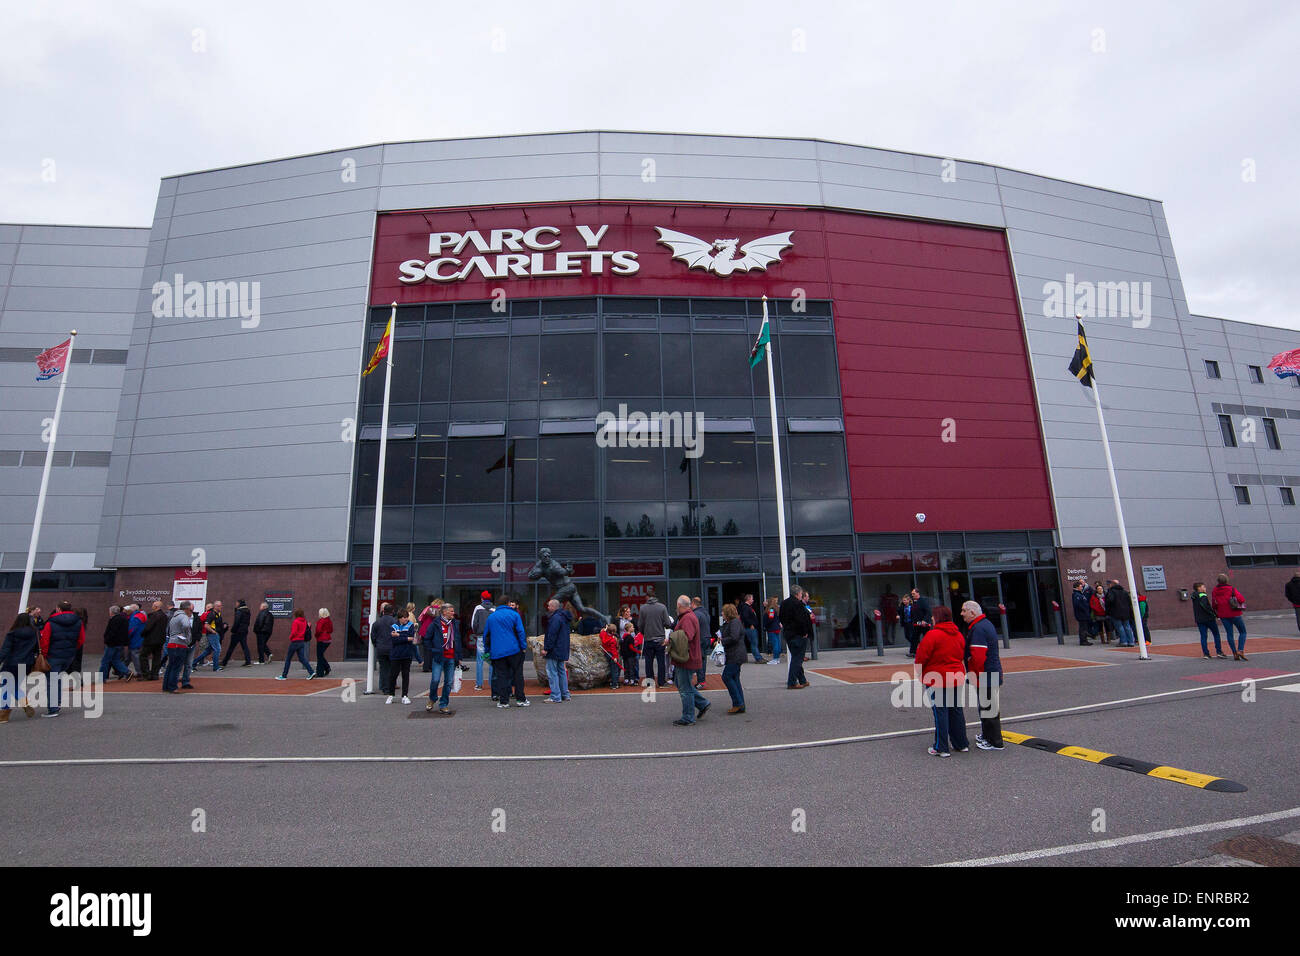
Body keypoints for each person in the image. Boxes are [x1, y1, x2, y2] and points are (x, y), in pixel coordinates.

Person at [914, 606, 969, 757]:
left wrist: (919, 673)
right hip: (955, 676)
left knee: (941, 712)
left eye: (933, 616)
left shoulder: (933, 635)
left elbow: (921, 657)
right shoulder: (958, 634)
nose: (931, 618)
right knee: (956, 710)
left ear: (937, 617)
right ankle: (961, 743)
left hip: (936, 677)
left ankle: (941, 747)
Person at [961, 600, 1004, 751]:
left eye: (964, 610)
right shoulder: (984, 624)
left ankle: (994, 741)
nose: (962, 614)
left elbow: (978, 656)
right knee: (987, 707)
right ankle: (987, 735)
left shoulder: (979, 628)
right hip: (988, 673)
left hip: (985, 675)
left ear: (972, 612)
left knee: (989, 709)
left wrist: (975, 676)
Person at [670, 595, 710, 726]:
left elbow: (687, 636)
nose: (676, 608)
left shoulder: (687, 618)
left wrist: (670, 638)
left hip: (686, 658)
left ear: (680, 606)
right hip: (687, 657)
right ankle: (702, 703)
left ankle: (688, 717)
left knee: (685, 688)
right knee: (681, 682)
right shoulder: (690, 616)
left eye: (677, 605)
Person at [485, 597, 529, 707]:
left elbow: (487, 636)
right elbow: (520, 632)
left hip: (498, 651)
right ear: (508, 603)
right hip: (514, 649)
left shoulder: (491, 617)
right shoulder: (514, 615)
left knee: (502, 676)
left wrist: (487, 651)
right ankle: (520, 699)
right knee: (518, 675)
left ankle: (504, 701)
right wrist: (523, 646)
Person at [1, 612, 38, 721]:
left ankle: (4, 712)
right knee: (14, 685)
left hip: (11, 664)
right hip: (26, 664)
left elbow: (5, 651)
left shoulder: (12, 633)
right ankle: (24, 703)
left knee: (5, 687)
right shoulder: (34, 633)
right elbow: (36, 649)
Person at [424, 603, 458, 716]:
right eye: (451, 611)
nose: (453, 613)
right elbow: (427, 639)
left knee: (448, 682)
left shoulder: (454, 624)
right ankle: (432, 698)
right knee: (435, 680)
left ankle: (443, 704)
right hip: (439, 656)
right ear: (444, 612)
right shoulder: (435, 624)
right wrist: (433, 650)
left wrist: (459, 656)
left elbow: (457, 639)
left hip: (451, 656)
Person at [778, 586, 813, 689]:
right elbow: (801, 620)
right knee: (797, 659)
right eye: (801, 593)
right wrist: (804, 632)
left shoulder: (784, 603)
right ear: (798, 594)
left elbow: (781, 618)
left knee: (796, 657)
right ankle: (792, 682)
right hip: (798, 635)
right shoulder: (798, 604)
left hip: (788, 634)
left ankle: (802, 680)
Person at [637, 590, 672, 688]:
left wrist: (645, 632)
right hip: (660, 639)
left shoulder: (643, 608)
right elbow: (668, 623)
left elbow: (640, 625)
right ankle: (661, 682)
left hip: (648, 639)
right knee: (661, 662)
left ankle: (650, 683)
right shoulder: (662, 607)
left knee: (649, 662)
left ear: (647, 597)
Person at [541, 598, 572, 703]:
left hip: (554, 649)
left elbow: (551, 635)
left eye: (549, 606)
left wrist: (546, 648)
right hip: (563, 648)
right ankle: (565, 694)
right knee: (561, 671)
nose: (548, 608)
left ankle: (555, 696)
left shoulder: (555, 618)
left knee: (552, 672)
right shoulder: (564, 617)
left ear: (554, 607)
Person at [1211, 574, 1248, 661]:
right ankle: (1240, 650)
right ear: (1227, 580)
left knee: (1229, 633)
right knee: (1242, 632)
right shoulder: (1231, 589)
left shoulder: (1214, 590)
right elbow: (1241, 599)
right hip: (1235, 613)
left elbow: (1214, 604)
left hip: (1223, 615)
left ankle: (1234, 653)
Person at [718, 603, 746, 714]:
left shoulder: (734, 622)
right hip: (735, 654)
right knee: (735, 678)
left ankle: (738, 703)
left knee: (726, 677)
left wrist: (722, 641)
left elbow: (734, 637)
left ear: (727, 613)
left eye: (723, 612)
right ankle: (740, 704)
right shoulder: (732, 622)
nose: (721, 613)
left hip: (736, 655)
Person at [162, 601, 194, 693]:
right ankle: (173, 687)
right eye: (191, 610)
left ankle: (166, 686)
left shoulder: (174, 616)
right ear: (187, 609)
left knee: (170, 666)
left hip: (171, 643)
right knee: (177, 667)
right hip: (179, 643)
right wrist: (186, 635)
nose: (191, 612)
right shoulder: (183, 616)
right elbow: (186, 625)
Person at [275, 608, 317, 681]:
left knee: (288, 659)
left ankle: (284, 675)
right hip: (301, 642)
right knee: (302, 659)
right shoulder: (304, 621)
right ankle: (311, 672)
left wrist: (291, 637)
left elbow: (294, 632)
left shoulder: (296, 621)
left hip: (295, 642)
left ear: (296, 614)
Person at [1191, 582, 1229, 660]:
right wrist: (1214, 614)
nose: (1205, 588)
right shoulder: (1203, 596)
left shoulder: (1194, 596)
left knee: (1203, 636)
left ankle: (1206, 653)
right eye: (1203, 587)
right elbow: (1206, 606)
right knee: (1216, 634)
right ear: (1199, 588)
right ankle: (1219, 652)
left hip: (1199, 619)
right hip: (1208, 619)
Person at [99, 605, 133, 681]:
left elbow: (112, 632)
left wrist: (107, 640)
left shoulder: (113, 620)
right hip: (120, 643)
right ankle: (127, 672)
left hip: (112, 643)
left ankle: (101, 678)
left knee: (105, 661)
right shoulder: (124, 619)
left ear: (111, 612)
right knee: (116, 660)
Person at [470, 592, 494, 692]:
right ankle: (492, 683)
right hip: (492, 637)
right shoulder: (494, 609)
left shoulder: (478, 608)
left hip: (481, 636)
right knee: (492, 661)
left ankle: (479, 684)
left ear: (482, 599)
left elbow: (473, 623)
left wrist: (476, 632)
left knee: (480, 661)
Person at [191, 602, 224, 671]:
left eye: (221, 606)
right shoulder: (211, 614)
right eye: (219, 606)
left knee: (208, 651)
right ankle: (216, 667)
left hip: (215, 634)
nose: (221, 607)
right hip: (212, 634)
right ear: (215, 607)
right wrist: (213, 631)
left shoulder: (218, 614)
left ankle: (193, 663)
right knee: (217, 649)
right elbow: (206, 625)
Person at [1104, 581, 1138, 647]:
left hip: (1116, 612)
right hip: (1126, 612)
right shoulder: (1124, 592)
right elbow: (1129, 602)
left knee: (1119, 627)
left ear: (1111, 585)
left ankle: (1123, 641)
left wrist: (1108, 609)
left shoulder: (1111, 592)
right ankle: (1131, 641)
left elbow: (1110, 601)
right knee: (1127, 626)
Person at [140, 600, 167, 680]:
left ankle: (146, 674)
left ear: (155, 607)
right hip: (160, 640)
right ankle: (155, 674)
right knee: (157, 657)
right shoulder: (164, 616)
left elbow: (148, 627)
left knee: (143, 656)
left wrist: (143, 634)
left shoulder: (154, 616)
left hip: (150, 639)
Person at [222, 599, 252, 667]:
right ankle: (248, 661)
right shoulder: (247, 611)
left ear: (239, 603)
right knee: (245, 646)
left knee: (231, 647)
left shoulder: (239, 611)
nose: (236, 604)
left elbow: (237, 622)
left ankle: (224, 662)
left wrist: (233, 630)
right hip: (244, 631)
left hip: (238, 631)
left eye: (236, 603)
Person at [738, 593, 765, 664]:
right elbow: (745, 617)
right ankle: (758, 658)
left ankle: (759, 657)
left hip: (751, 627)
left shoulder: (748, 607)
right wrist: (751, 624)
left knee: (754, 643)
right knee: (754, 643)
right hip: (750, 628)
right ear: (748, 599)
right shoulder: (745, 607)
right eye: (752, 599)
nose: (753, 600)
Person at [692, 596, 713, 686]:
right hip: (706, 638)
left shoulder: (696, 614)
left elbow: (693, 627)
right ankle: (702, 679)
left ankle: (701, 681)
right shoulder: (705, 613)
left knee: (698, 660)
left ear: (693, 604)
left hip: (699, 639)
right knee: (703, 659)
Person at [1070, 581, 1095, 646]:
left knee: (1084, 627)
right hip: (1081, 614)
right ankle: (1083, 641)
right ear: (1077, 587)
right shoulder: (1076, 595)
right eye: (1081, 586)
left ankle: (1085, 640)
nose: (1082, 587)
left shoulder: (1079, 594)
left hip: (1084, 614)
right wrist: (1084, 610)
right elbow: (1078, 605)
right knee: (1083, 628)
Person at [417, 598, 439, 673]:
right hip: (432, 632)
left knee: (426, 650)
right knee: (432, 650)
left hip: (424, 631)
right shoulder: (439, 610)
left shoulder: (428, 609)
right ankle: (430, 666)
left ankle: (426, 667)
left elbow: (421, 619)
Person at [909, 588, 932, 656]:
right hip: (916, 623)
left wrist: (925, 620)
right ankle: (913, 652)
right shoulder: (913, 602)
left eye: (914, 594)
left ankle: (930, 651)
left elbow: (928, 611)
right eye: (912, 594)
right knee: (914, 637)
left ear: (918, 593)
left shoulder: (923, 601)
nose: (912, 595)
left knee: (926, 637)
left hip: (923, 623)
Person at [126, 603, 146, 677]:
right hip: (141, 638)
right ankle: (122, 670)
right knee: (130, 656)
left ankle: (139, 672)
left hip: (135, 639)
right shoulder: (142, 615)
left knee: (134, 656)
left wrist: (127, 636)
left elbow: (131, 629)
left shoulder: (135, 617)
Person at [601, 621, 622, 690]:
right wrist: (615, 657)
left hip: (606, 653)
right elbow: (614, 650)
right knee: (614, 670)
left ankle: (613, 682)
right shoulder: (613, 640)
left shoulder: (604, 635)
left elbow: (602, 633)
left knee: (612, 669)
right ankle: (614, 684)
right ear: (613, 632)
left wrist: (605, 629)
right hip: (612, 655)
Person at [763, 596, 783, 663]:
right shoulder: (776, 609)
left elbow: (770, 619)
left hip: (772, 628)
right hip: (776, 628)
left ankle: (775, 658)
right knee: (777, 643)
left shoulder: (771, 610)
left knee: (775, 644)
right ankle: (777, 658)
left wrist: (766, 625)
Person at [315, 608, 333, 676]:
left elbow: (318, 631)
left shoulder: (321, 621)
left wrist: (316, 636)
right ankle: (327, 667)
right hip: (328, 639)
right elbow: (331, 630)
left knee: (319, 656)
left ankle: (320, 673)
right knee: (321, 655)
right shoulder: (329, 620)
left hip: (321, 639)